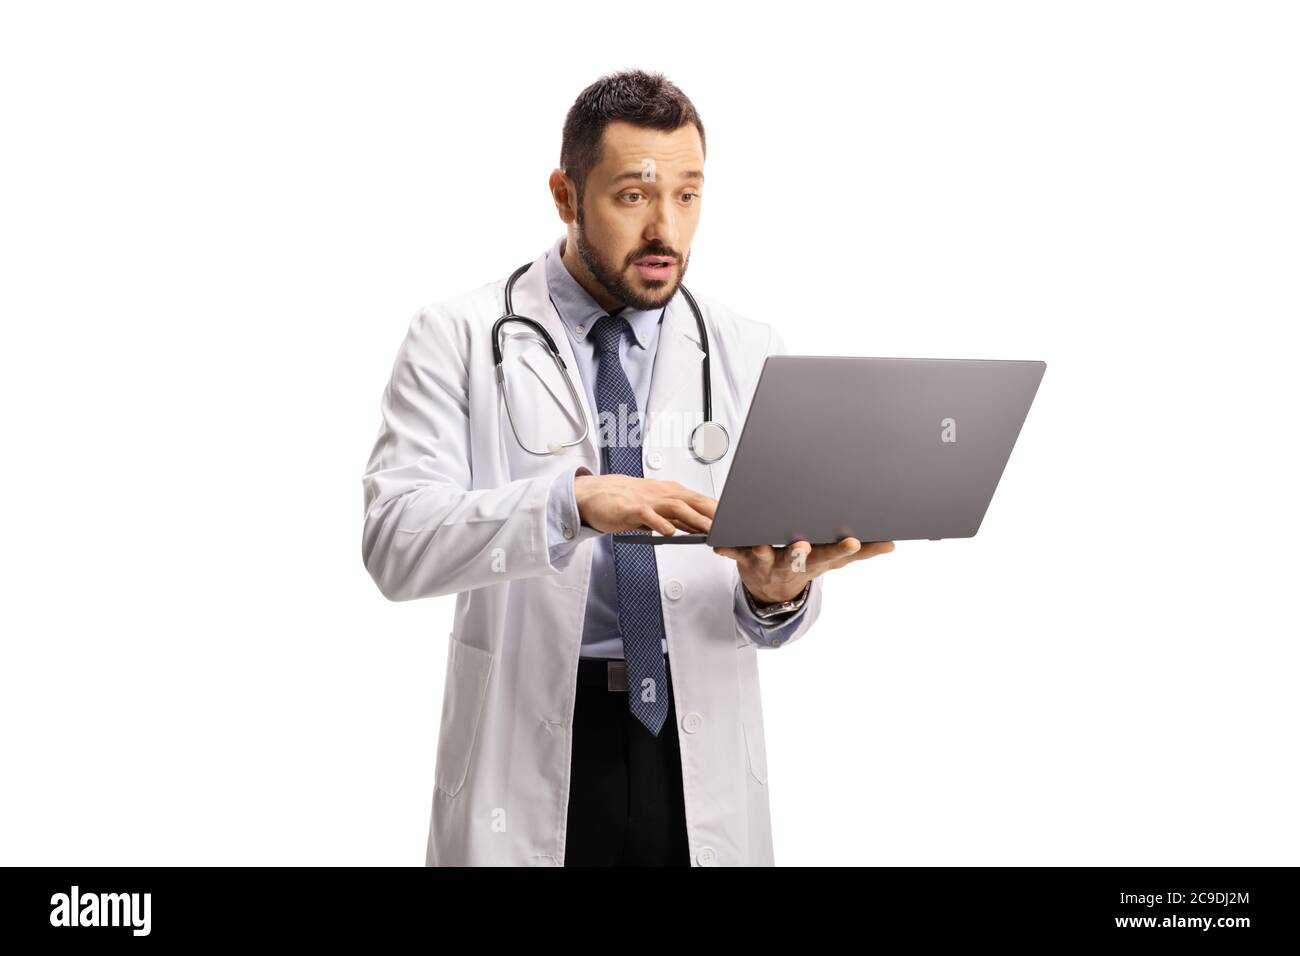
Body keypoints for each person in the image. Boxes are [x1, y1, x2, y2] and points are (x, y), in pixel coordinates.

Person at [361, 69, 894, 867]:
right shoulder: (458, 336)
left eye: (688, 196)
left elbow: (763, 601)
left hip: (695, 745)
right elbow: (395, 543)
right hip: (535, 742)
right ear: (566, 196)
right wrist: (570, 503)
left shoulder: (750, 349)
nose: (666, 231)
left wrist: (777, 596)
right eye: (634, 196)